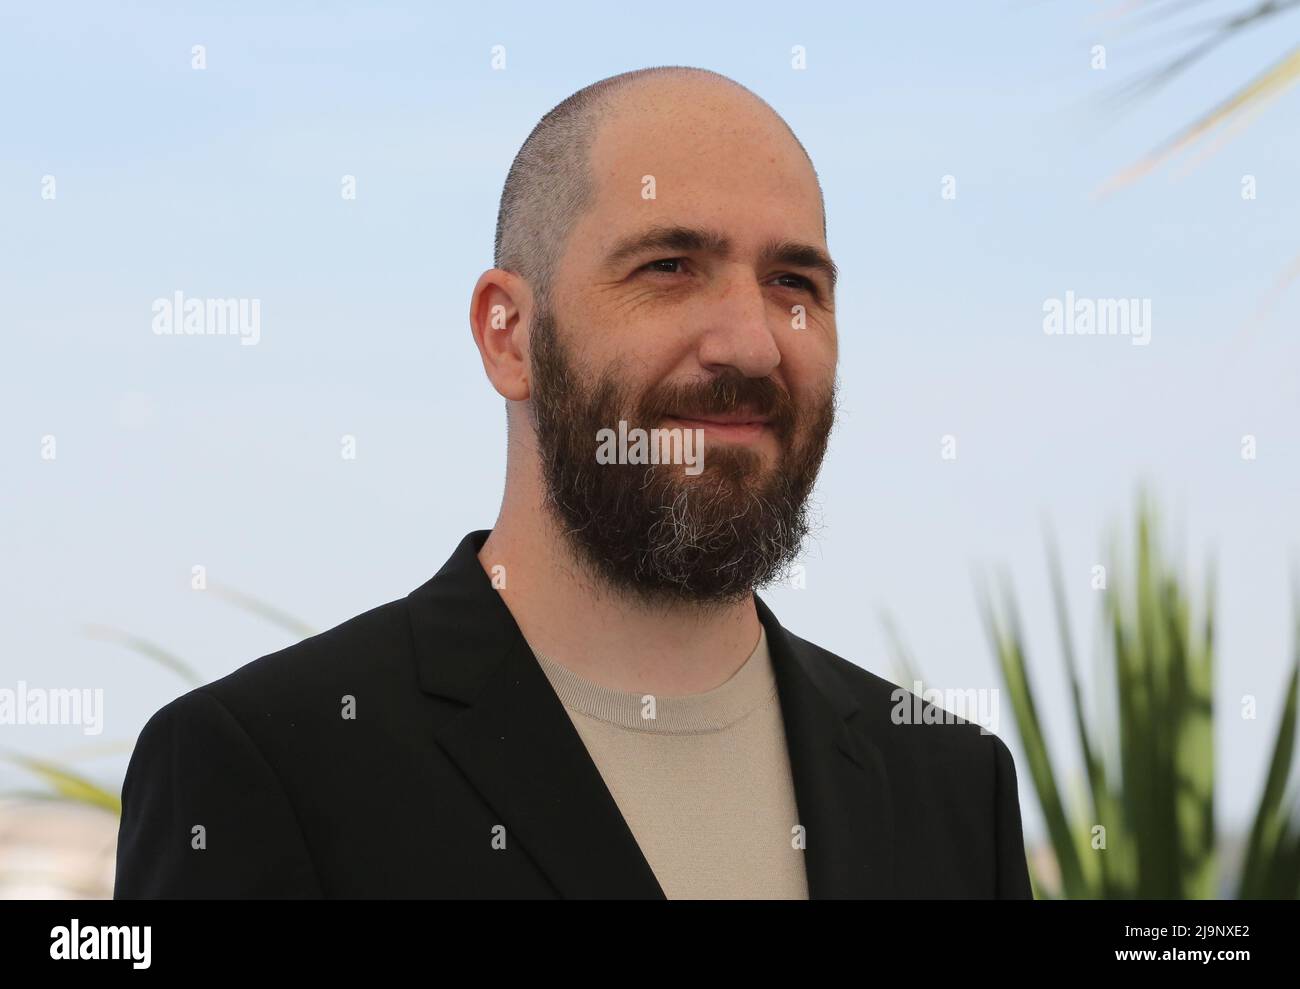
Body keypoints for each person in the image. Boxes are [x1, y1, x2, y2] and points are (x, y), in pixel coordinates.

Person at [114, 65, 1033, 899]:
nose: (751, 342)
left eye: (793, 281)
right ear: (507, 333)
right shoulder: (266, 767)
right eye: (670, 267)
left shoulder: (951, 783)